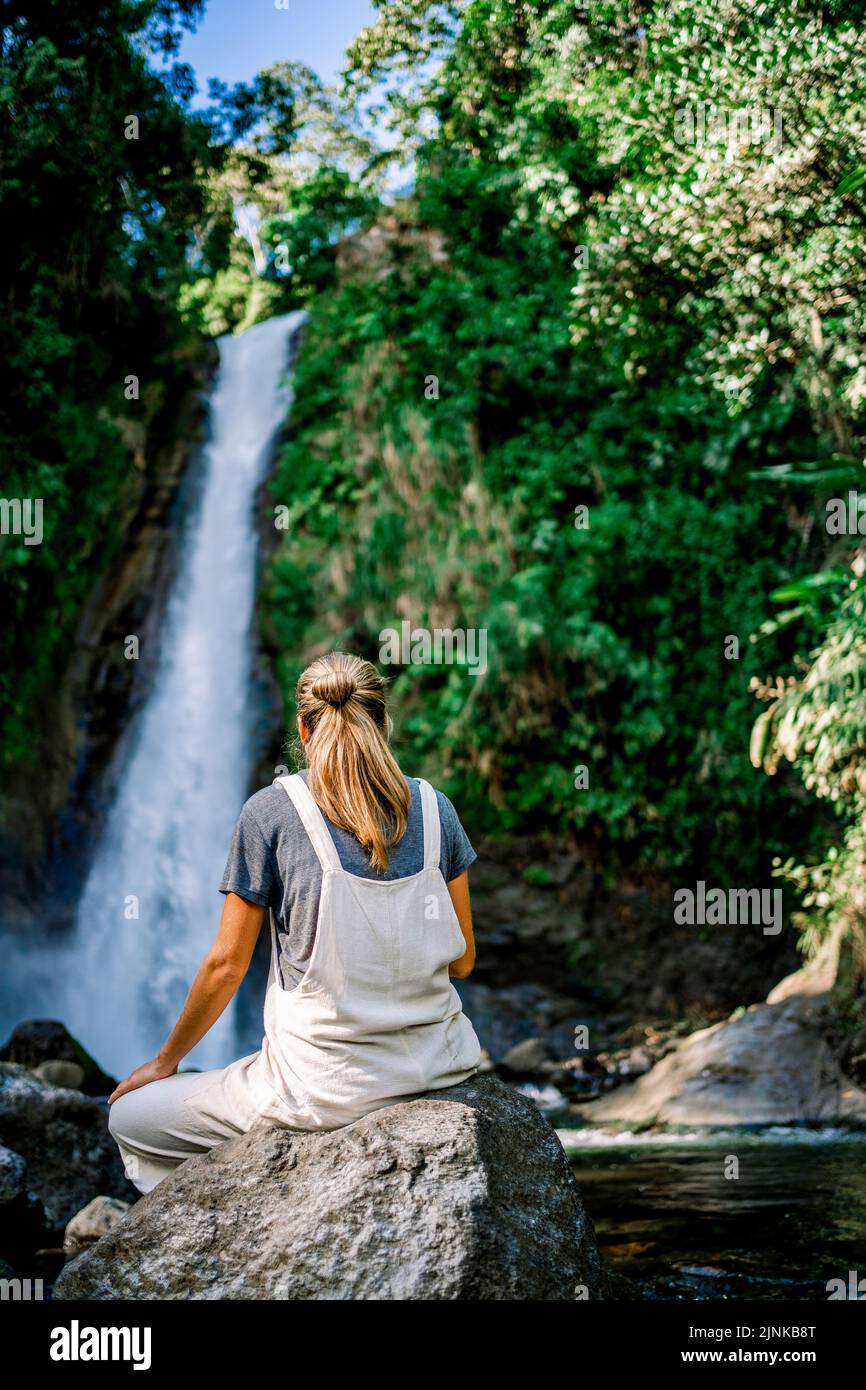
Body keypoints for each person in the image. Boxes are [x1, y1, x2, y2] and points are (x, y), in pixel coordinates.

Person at [107, 651, 482, 1194]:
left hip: (322, 1090)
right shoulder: (434, 809)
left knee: (130, 1116)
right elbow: (465, 960)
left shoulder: (271, 813)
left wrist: (165, 1063)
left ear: (303, 727)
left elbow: (225, 967)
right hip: (439, 1070)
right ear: (383, 722)